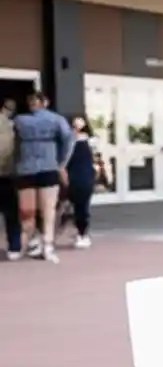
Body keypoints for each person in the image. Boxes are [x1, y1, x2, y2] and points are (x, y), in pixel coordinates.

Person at [14, 92, 75, 263]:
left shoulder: (20, 121)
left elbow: (13, 144)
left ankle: (30, 242)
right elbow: (68, 140)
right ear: (46, 103)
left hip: (26, 168)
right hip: (48, 166)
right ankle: (47, 245)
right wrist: (61, 162)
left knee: (27, 211)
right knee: (48, 209)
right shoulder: (57, 120)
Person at [62, 115, 97, 249]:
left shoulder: (91, 141)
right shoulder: (68, 140)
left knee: (82, 205)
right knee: (67, 205)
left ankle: (82, 233)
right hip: (70, 175)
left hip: (85, 175)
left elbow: (97, 157)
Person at [0, 96, 20, 260]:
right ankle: (14, 247)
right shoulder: (12, 125)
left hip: (6, 173)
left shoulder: (12, 124)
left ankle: (14, 246)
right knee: (11, 214)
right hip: (7, 175)